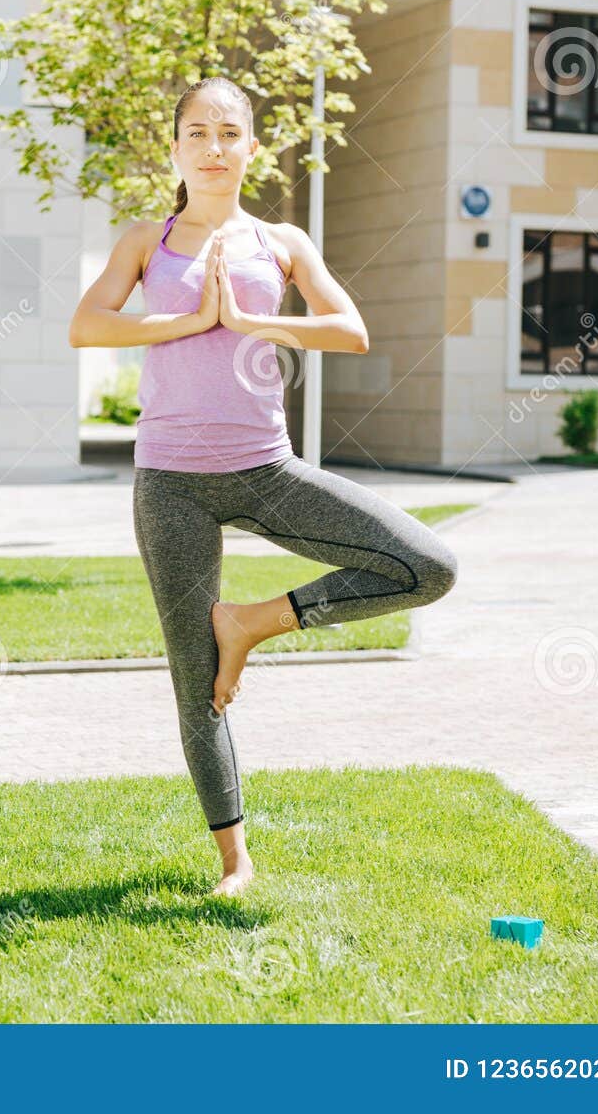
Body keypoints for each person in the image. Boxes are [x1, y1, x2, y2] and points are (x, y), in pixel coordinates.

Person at [69, 77, 459, 897]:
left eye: (229, 133)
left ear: (252, 148)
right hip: (171, 483)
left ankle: (253, 621)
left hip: (266, 469)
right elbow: (87, 323)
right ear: (175, 149)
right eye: (197, 133)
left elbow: (349, 329)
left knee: (429, 565)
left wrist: (251, 322)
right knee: (195, 681)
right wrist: (186, 321)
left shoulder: (281, 241)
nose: (213, 147)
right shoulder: (146, 240)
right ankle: (235, 860)